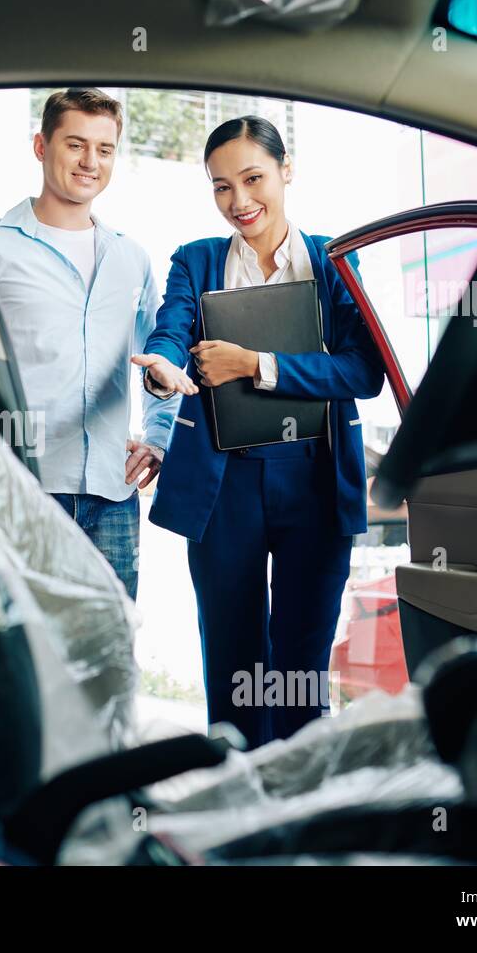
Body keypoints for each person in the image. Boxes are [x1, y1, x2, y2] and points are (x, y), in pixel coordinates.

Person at [131, 115, 385, 748]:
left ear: (285, 171)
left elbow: (364, 369)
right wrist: (164, 368)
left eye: (252, 179)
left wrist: (254, 366)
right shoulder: (197, 260)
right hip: (227, 483)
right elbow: (171, 329)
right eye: (222, 187)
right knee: (234, 658)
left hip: (314, 477)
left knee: (302, 664)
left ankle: (298, 799)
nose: (239, 202)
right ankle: (235, 796)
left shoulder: (334, 262)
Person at [0, 88, 174, 599]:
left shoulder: (131, 257)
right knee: (26, 655)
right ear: (41, 146)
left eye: (104, 149)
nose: (91, 162)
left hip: (113, 497)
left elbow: (161, 357)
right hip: (22, 492)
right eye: (75, 145)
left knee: (108, 656)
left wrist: (159, 438)